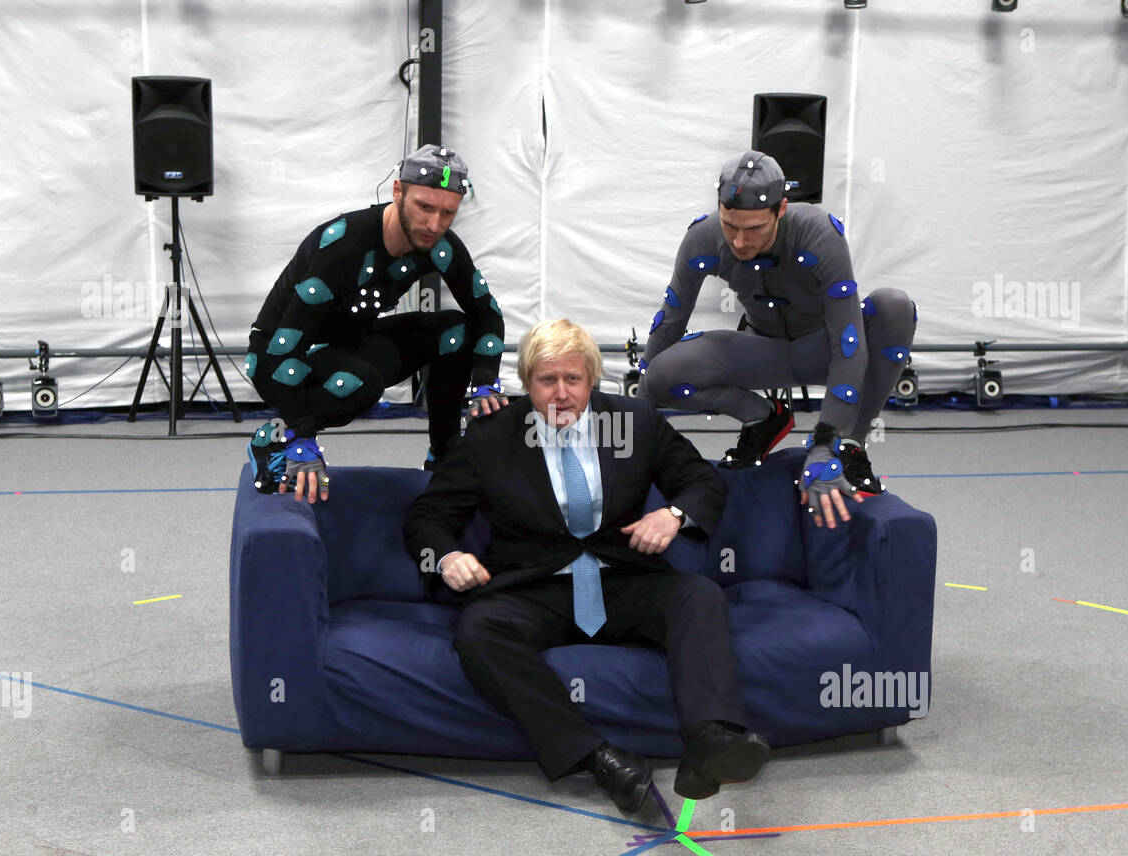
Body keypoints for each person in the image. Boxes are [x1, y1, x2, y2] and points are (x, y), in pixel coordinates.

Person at [403, 318, 769, 813]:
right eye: (546, 381)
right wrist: (446, 556)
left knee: (698, 594)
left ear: (592, 380)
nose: (560, 394)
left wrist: (673, 514)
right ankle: (600, 759)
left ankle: (711, 740)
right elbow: (429, 514)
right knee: (479, 629)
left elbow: (703, 481)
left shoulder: (636, 420)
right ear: (526, 382)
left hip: (622, 579)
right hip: (536, 588)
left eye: (572, 380)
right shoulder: (491, 436)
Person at [639, 150, 917, 529]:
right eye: (729, 225)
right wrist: (633, 417)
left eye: (753, 229)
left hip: (822, 347)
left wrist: (825, 442)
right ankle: (763, 419)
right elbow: (669, 321)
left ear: (781, 209)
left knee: (894, 307)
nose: (738, 241)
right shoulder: (702, 237)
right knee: (660, 376)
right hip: (761, 351)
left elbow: (847, 342)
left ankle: (852, 445)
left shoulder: (818, 231)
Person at [243, 144, 507, 504]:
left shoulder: (439, 245)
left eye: (448, 213)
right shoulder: (345, 244)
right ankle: (274, 437)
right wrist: (301, 434)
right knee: (361, 384)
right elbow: (284, 348)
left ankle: (445, 456)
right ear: (398, 191)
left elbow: (486, 313)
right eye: (425, 207)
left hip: (350, 341)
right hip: (280, 357)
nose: (435, 224)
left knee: (456, 330)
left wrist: (485, 382)